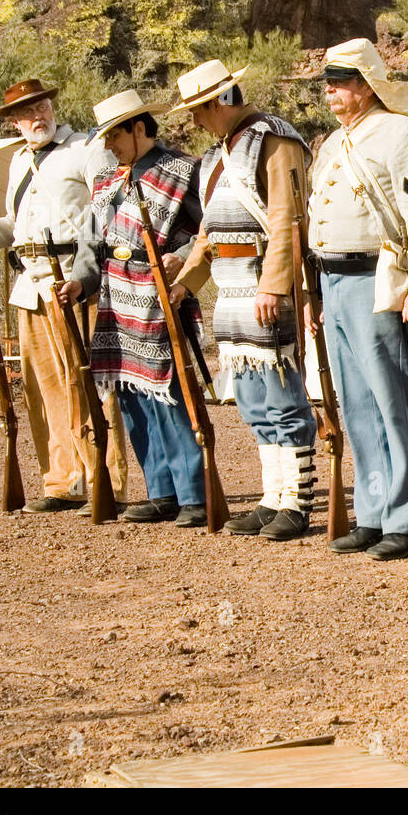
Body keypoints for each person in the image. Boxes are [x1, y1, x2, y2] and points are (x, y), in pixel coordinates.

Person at [0, 78, 128, 515]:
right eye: (27, 112)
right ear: (13, 122)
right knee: (44, 389)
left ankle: (105, 478)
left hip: (75, 281)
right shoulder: (19, 162)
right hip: (30, 284)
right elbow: (15, 228)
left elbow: (107, 208)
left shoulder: (84, 150)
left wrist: (85, 275)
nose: (38, 116)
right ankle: (63, 481)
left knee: (93, 385)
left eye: (43, 106)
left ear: (53, 107)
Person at [170, 60, 318, 542]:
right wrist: (187, 284)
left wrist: (274, 285)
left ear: (221, 101)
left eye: (199, 109)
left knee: (281, 396)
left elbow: (287, 219)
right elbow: (209, 237)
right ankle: (272, 496)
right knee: (253, 400)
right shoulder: (213, 158)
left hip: (262, 285)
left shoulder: (275, 139)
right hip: (231, 292)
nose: (194, 121)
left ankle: (297, 502)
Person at [58, 90, 207, 527]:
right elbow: (92, 243)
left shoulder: (183, 171)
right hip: (114, 299)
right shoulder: (106, 182)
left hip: (161, 297)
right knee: (132, 399)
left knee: (170, 396)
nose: (108, 146)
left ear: (139, 128)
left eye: (114, 135)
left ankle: (194, 494)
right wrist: (80, 281)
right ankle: (160, 490)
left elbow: (206, 231)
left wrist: (182, 256)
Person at [308, 39, 408, 560]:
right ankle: (375, 514)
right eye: (328, 82)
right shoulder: (333, 143)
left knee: (390, 398)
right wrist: (316, 294)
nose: (330, 91)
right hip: (332, 279)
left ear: (365, 84)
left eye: (339, 80)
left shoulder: (400, 132)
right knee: (356, 405)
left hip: (377, 278)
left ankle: (405, 518)